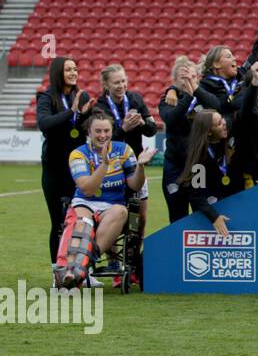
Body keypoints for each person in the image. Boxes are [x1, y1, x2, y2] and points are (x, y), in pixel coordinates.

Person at [58, 110, 153, 289]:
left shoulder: (123, 150)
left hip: (112, 205)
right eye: (98, 131)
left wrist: (140, 167)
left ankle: (80, 267)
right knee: (82, 222)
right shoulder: (78, 154)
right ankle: (74, 271)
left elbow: (135, 185)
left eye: (106, 131)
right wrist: (104, 166)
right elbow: (87, 189)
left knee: (121, 211)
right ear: (89, 133)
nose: (103, 135)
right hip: (85, 202)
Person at [36, 57, 94, 285]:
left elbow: (86, 128)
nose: (73, 72)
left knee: (83, 221)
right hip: (54, 169)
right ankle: (57, 272)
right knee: (58, 222)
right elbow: (45, 125)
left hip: (79, 168)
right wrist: (72, 112)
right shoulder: (46, 97)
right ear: (58, 72)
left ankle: (83, 271)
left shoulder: (84, 96)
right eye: (68, 69)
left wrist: (87, 114)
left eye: (75, 69)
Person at [95, 64, 158, 235]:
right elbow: (101, 141)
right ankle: (113, 261)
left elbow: (152, 130)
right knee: (111, 216)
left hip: (135, 166)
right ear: (106, 85)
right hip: (111, 167)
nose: (121, 85)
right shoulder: (100, 106)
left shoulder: (136, 99)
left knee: (139, 217)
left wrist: (143, 123)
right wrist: (123, 128)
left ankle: (134, 257)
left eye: (123, 81)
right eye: (116, 82)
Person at [158, 57, 215, 223]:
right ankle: (177, 249)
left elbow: (217, 105)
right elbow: (171, 119)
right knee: (177, 215)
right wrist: (185, 96)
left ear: (198, 78)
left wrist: (192, 94)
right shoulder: (168, 100)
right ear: (175, 81)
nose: (188, 81)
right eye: (184, 78)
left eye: (192, 77)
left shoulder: (204, 99)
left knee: (201, 212)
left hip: (198, 165)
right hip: (175, 166)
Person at [180, 109, 240, 236]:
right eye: (219, 123)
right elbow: (196, 194)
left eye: (222, 118)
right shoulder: (200, 156)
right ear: (209, 133)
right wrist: (214, 217)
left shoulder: (228, 142)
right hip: (211, 213)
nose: (224, 123)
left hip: (233, 206)